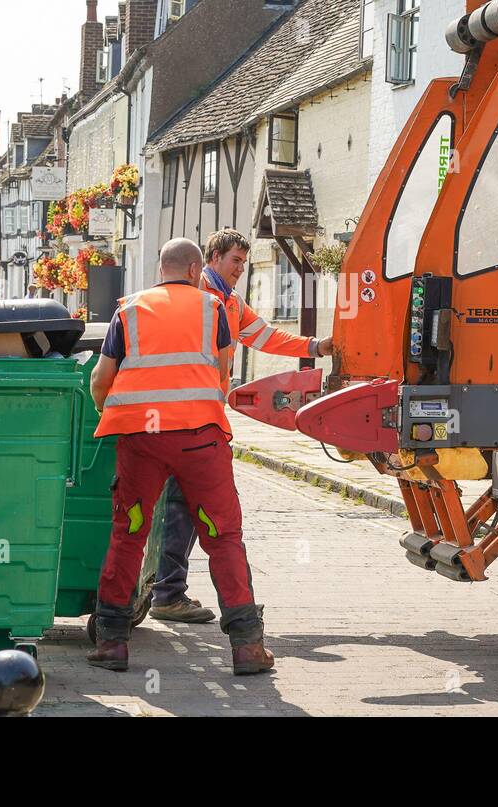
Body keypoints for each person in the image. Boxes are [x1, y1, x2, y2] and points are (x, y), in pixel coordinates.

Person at [87, 237, 274, 675]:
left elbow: (101, 378)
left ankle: (113, 642)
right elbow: (223, 375)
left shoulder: (128, 310)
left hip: (141, 441)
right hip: (200, 440)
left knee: (130, 531)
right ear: (195, 270)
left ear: (161, 270)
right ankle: (247, 647)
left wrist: (109, 412)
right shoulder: (213, 310)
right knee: (223, 537)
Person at [149, 228, 333, 624]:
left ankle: (166, 589)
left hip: (198, 417)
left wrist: (315, 347)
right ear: (211, 259)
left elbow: (265, 336)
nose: (240, 270)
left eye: (245, 264)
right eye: (235, 261)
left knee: (181, 506)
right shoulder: (200, 300)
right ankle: (171, 593)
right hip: (186, 418)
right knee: (189, 507)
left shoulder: (229, 302)